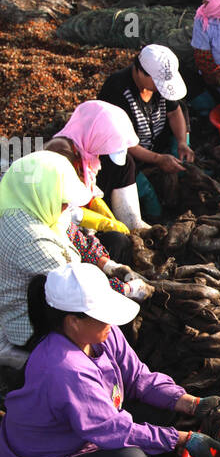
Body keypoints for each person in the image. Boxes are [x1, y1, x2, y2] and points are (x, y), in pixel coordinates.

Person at [0, 264, 220, 457]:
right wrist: (182, 439)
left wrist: (191, 403)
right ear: (73, 321)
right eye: (101, 313)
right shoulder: (63, 369)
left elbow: (138, 379)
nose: (110, 320)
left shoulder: (101, 334)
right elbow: (113, 429)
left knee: (160, 412)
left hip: (83, 438)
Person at [0, 151, 152, 369]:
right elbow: (77, 288)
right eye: (63, 202)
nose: (65, 207)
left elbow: (75, 235)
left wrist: (106, 263)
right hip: (32, 323)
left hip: (59, 283)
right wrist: (127, 290)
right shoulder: (29, 240)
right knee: (108, 329)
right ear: (38, 192)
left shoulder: (36, 203)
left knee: (116, 241)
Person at [97, 43, 190, 231]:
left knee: (182, 150)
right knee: (143, 189)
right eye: (156, 82)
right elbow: (120, 141)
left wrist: (182, 143)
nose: (159, 87)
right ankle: (155, 217)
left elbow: (174, 112)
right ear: (140, 72)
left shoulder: (161, 89)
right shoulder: (116, 90)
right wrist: (157, 159)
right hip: (125, 152)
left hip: (156, 142)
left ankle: (176, 189)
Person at [45, 98, 138, 240]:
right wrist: (103, 222)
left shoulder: (86, 152)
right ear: (94, 133)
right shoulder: (60, 152)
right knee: (117, 241)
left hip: (77, 226)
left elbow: (86, 191)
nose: (102, 154)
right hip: (54, 228)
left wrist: (96, 204)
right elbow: (62, 208)